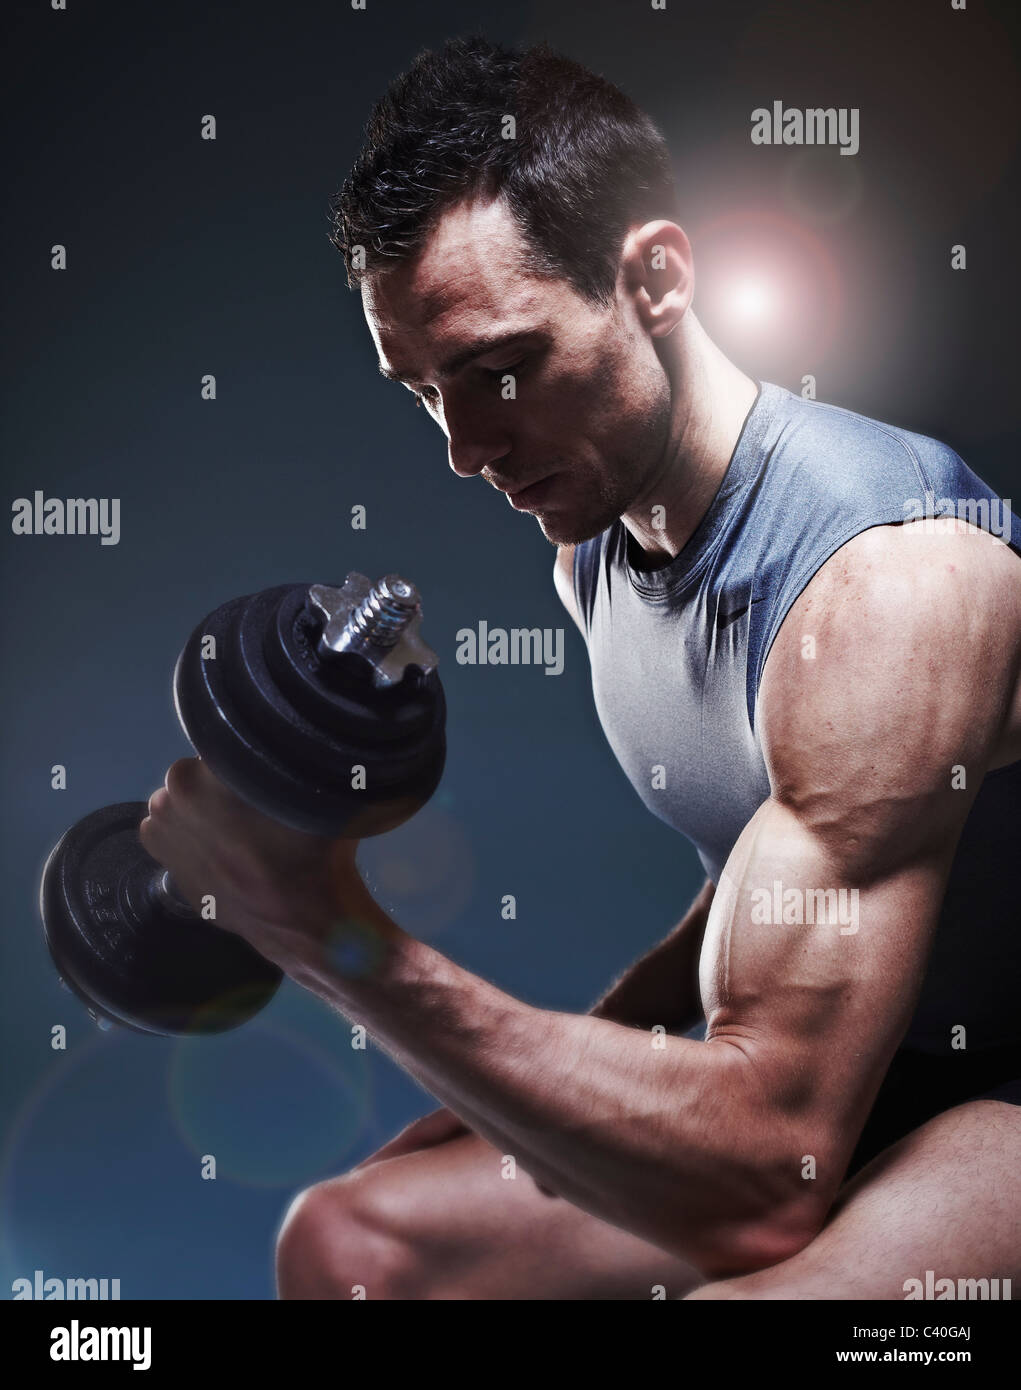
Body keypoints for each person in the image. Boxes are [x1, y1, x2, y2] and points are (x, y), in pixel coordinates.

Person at [140, 36, 1021, 1300]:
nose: (467, 448)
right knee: (354, 1243)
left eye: (502, 371)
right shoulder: (594, 546)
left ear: (654, 277)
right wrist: (522, 1096)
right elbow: (761, 877)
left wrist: (333, 935)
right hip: (829, 1054)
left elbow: (773, 1178)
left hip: (988, 1090)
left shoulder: (888, 579)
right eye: (425, 393)